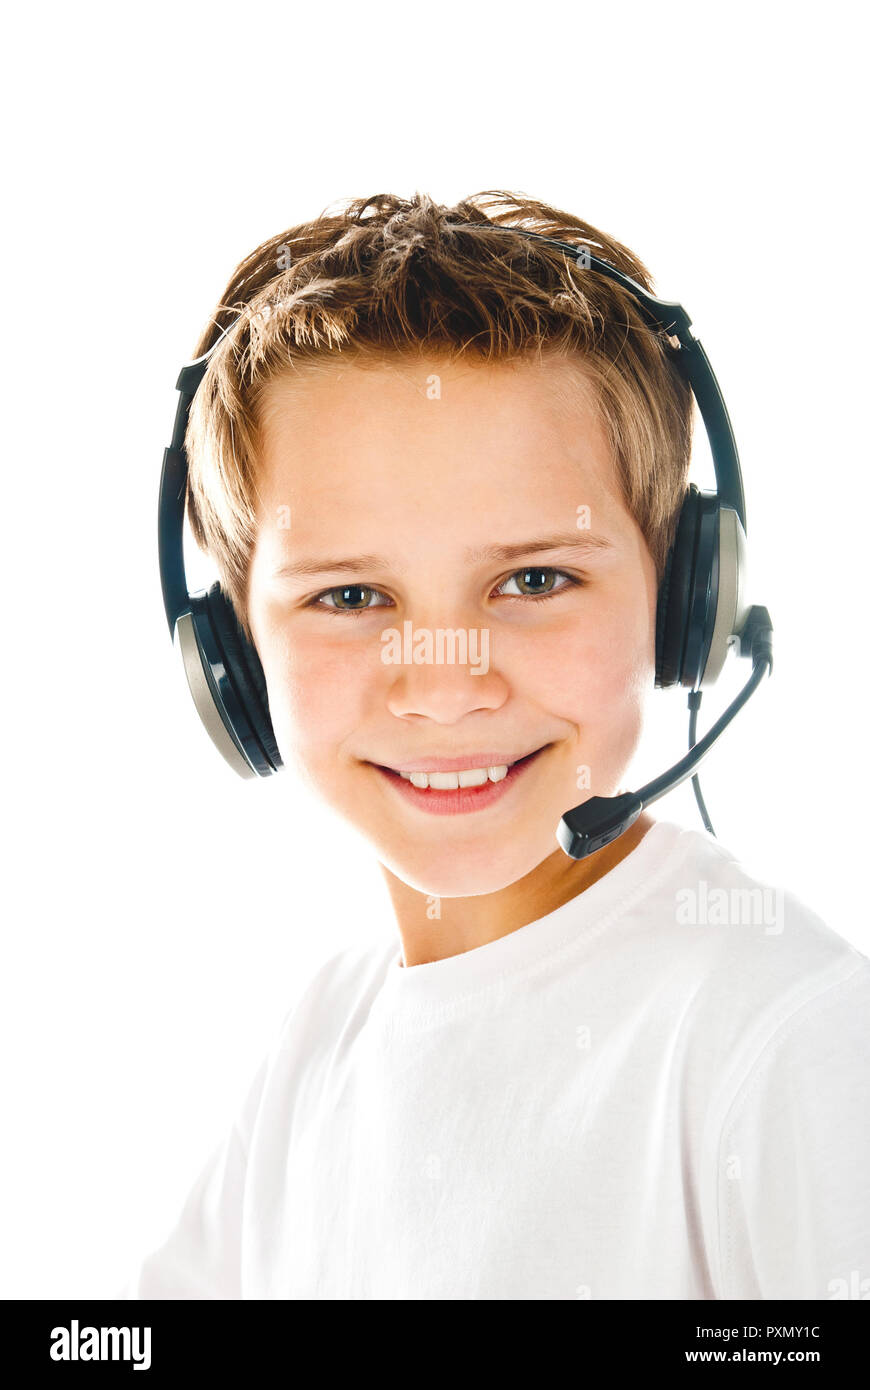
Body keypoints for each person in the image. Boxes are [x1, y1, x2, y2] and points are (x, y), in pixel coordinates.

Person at [121, 191, 870, 1299]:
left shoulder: (780, 1040)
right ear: (231, 650)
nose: (446, 685)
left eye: (533, 579)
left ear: (685, 597)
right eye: (352, 593)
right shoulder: (315, 1054)